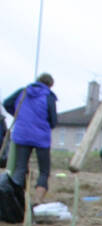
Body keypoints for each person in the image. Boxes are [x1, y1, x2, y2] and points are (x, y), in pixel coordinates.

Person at [2, 73, 58, 204]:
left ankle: (13, 199)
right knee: (44, 170)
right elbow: (53, 121)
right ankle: (37, 200)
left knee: (20, 168)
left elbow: (6, 103)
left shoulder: (23, 91)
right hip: (41, 138)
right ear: (50, 85)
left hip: (22, 135)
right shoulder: (49, 96)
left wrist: (19, 115)